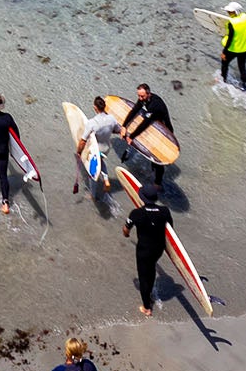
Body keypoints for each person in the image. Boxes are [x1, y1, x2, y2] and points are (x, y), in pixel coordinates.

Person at [122, 182, 174, 316]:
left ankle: (146, 307)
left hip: (144, 251)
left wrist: (127, 234)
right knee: (151, 270)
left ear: (142, 198)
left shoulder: (136, 213)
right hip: (158, 249)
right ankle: (149, 294)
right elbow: (170, 231)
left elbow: (126, 230)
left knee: (143, 277)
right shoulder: (165, 211)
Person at [72, 95, 119, 192]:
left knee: (92, 173)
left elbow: (83, 140)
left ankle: (93, 195)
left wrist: (79, 152)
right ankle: (106, 180)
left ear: (95, 107)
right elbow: (117, 130)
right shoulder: (112, 119)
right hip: (106, 148)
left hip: (95, 150)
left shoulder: (92, 123)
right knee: (101, 162)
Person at [217, 1, 246, 87]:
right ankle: (244, 85)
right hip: (244, 49)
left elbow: (230, 39)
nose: (228, 13)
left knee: (224, 63)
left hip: (232, 49)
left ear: (235, 12)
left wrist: (224, 52)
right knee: (242, 67)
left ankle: (223, 80)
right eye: (228, 11)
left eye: (230, 12)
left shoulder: (232, 23)